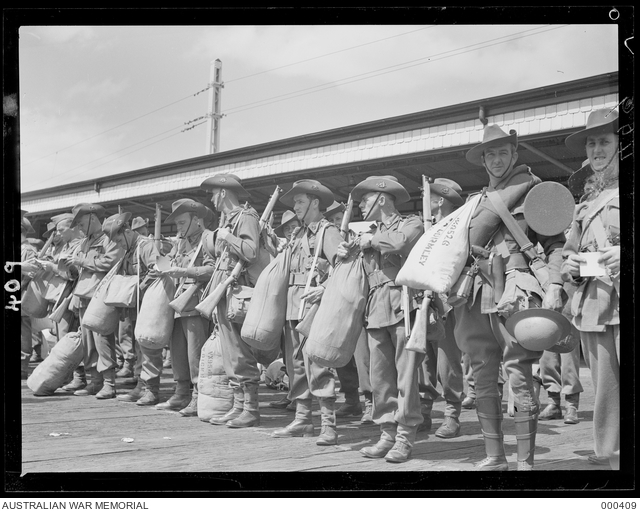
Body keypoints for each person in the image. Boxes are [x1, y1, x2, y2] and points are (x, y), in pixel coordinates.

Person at [455, 125, 566, 471]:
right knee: (482, 372)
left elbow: (555, 245)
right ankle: (495, 457)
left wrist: (555, 284)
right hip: (476, 292)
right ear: (483, 160)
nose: (497, 159)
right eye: (490, 154)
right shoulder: (475, 204)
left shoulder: (535, 190)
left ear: (515, 155)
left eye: (503, 152)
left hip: (516, 289)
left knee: (519, 371)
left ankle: (526, 463)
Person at [343, 175, 425, 463]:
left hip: (403, 304)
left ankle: (404, 438)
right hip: (376, 309)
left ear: (381, 198)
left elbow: (400, 244)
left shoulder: (411, 223)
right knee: (380, 380)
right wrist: (348, 253)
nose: (361, 206)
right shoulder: (368, 234)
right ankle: (387, 434)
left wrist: (371, 240)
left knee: (405, 376)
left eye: (365, 200)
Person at [561, 108, 620, 470]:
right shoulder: (584, 206)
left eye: (605, 141)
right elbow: (571, 253)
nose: (597, 149)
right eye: (592, 142)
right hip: (597, 307)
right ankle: (613, 462)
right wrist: (573, 267)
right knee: (606, 397)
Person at [271, 179, 344, 445]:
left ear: (315, 202)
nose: (296, 207)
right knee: (296, 366)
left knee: (317, 366)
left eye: (300, 202)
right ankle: (303, 420)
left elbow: (342, 268)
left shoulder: (328, 232)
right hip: (293, 305)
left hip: (314, 307)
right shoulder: (299, 234)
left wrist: (324, 288)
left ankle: (328, 425)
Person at [200, 174, 269, 428]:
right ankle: (238, 406)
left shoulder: (246, 217)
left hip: (237, 291)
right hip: (223, 288)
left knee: (240, 352)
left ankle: (250, 409)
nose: (211, 198)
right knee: (230, 352)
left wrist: (229, 237)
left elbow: (250, 252)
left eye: (213, 193)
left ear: (223, 193)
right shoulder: (229, 219)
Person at [148, 199, 214, 415]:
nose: (178, 228)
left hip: (196, 304)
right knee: (178, 352)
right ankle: (181, 392)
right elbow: (170, 262)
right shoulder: (181, 243)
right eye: (177, 224)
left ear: (197, 220)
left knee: (195, 354)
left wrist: (185, 272)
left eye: (181, 223)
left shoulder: (208, 239)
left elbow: (214, 270)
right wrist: (159, 269)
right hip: (177, 303)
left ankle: (198, 396)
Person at [97, 212, 163, 405]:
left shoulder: (145, 245)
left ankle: (152, 390)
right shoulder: (129, 249)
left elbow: (160, 268)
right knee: (138, 347)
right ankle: (141, 387)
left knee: (148, 348)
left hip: (149, 304)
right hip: (135, 307)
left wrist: (140, 287)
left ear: (126, 231)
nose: (118, 244)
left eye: (118, 239)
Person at [60, 203, 124, 399]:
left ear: (92, 219)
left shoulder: (109, 239)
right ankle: (95, 382)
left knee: (103, 341)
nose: (79, 228)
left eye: (81, 224)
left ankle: (109, 383)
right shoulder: (84, 242)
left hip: (99, 297)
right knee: (88, 343)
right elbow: (79, 272)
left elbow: (111, 262)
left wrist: (81, 261)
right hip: (83, 296)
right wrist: (69, 267)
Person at [418, 178, 466, 439]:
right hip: (424, 303)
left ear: (438, 201)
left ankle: (452, 415)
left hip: (447, 303)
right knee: (424, 362)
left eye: (427, 196)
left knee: (448, 364)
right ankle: (425, 412)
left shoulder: (458, 228)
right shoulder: (425, 227)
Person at [323, 200, 374, 423]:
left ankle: (371, 402)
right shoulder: (327, 242)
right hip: (336, 305)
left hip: (360, 305)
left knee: (363, 359)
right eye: (332, 220)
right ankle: (352, 400)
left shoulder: (359, 240)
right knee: (340, 358)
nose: (336, 225)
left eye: (339, 219)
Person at [267, 209, 302, 412]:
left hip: (302, 307)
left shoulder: (307, 245)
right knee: (288, 354)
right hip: (286, 306)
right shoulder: (285, 248)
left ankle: (300, 399)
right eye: (287, 229)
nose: (290, 231)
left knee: (299, 356)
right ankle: (292, 394)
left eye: (293, 227)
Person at [19, 214, 39, 379]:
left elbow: (31, 273)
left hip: (20, 294)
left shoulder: (28, 250)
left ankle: (22, 367)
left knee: (22, 330)